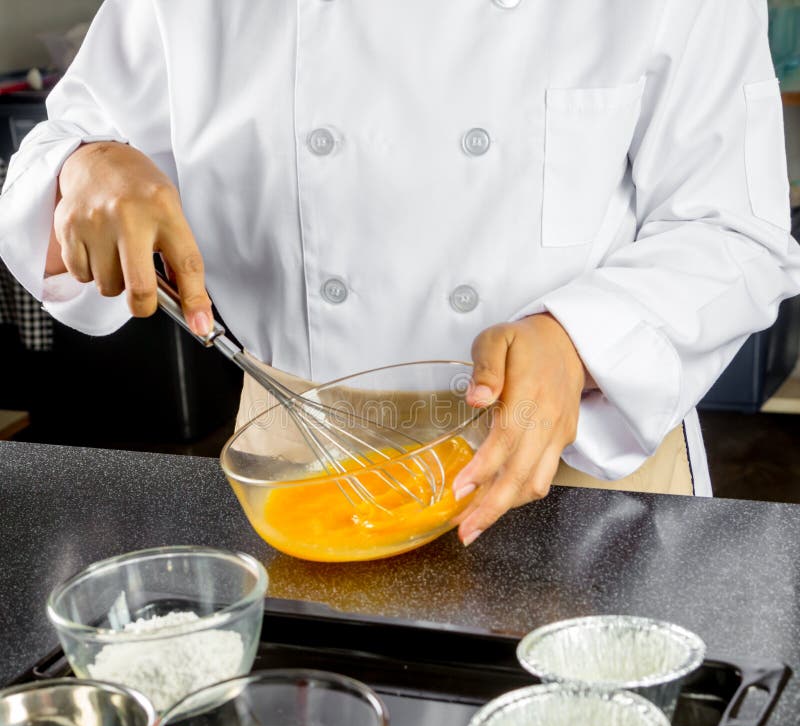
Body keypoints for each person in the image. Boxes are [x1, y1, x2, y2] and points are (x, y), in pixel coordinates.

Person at [1, 0, 799, 546]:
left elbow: (736, 229)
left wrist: (581, 341)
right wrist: (88, 167)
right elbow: (65, 141)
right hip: (298, 469)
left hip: (578, 480)